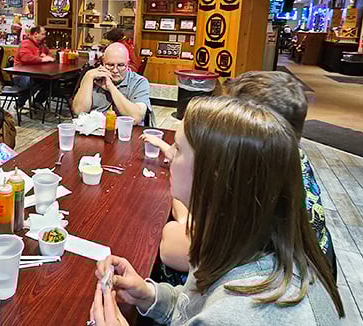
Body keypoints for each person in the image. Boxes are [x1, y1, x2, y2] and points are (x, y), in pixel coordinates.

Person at [90, 96, 344, 326]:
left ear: (214, 177)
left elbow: (216, 313)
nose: (168, 157)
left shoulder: (243, 313)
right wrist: (150, 296)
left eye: (177, 149)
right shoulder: (239, 242)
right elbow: (196, 305)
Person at [146, 70, 335, 287]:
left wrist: (184, 213)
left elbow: (172, 247)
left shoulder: (256, 187)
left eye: (230, 115)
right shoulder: (293, 161)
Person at [72, 42, 151, 125]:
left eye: (120, 65)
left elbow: (136, 118)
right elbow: (79, 111)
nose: (115, 70)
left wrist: (111, 87)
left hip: (126, 132)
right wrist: (88, 77)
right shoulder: (92, 76)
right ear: (102, 62)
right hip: (94, 131)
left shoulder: (139, 82)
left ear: (128, 64)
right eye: (110, 65)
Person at [13, 25, 54, 107]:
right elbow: (25, 58)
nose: (45, 36)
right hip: (21, 74)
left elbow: (50, 55)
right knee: (33, 82)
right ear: (36, 34)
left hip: (37, 73)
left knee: (51, 81)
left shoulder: (41, 44)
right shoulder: (25, 43)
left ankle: (37, 102)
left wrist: (45, 55)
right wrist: (41, 59)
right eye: (43, 34)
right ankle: (19, 104)